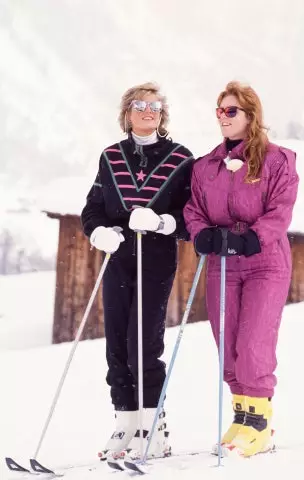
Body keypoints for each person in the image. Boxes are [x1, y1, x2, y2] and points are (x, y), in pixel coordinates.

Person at [183, 81, 299, 457]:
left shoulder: (277, 160)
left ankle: (260, 424)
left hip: (264, 262)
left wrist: (251, 238)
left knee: (253, 343)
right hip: (222, 264)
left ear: (251, 116)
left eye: (231, 110)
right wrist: (202, 236)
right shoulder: (206, 167)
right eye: (219, 110)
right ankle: (242, 417)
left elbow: (280, 210)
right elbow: (194, 210)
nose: (223, 117)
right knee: (228, 344)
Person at [80, 82, 194, 460]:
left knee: (142, 345)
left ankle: (153, 427)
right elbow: (93, 207)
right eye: (141, 105)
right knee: (116, 344)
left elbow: (190, 217)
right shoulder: (111, 157)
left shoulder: (181, 159)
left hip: (156, 259)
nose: (149, 111)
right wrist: (98, 231)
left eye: (156, 106)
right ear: (127, 112)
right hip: (118, 260)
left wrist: (162, 222)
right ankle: (125, 423)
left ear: (163, 114)